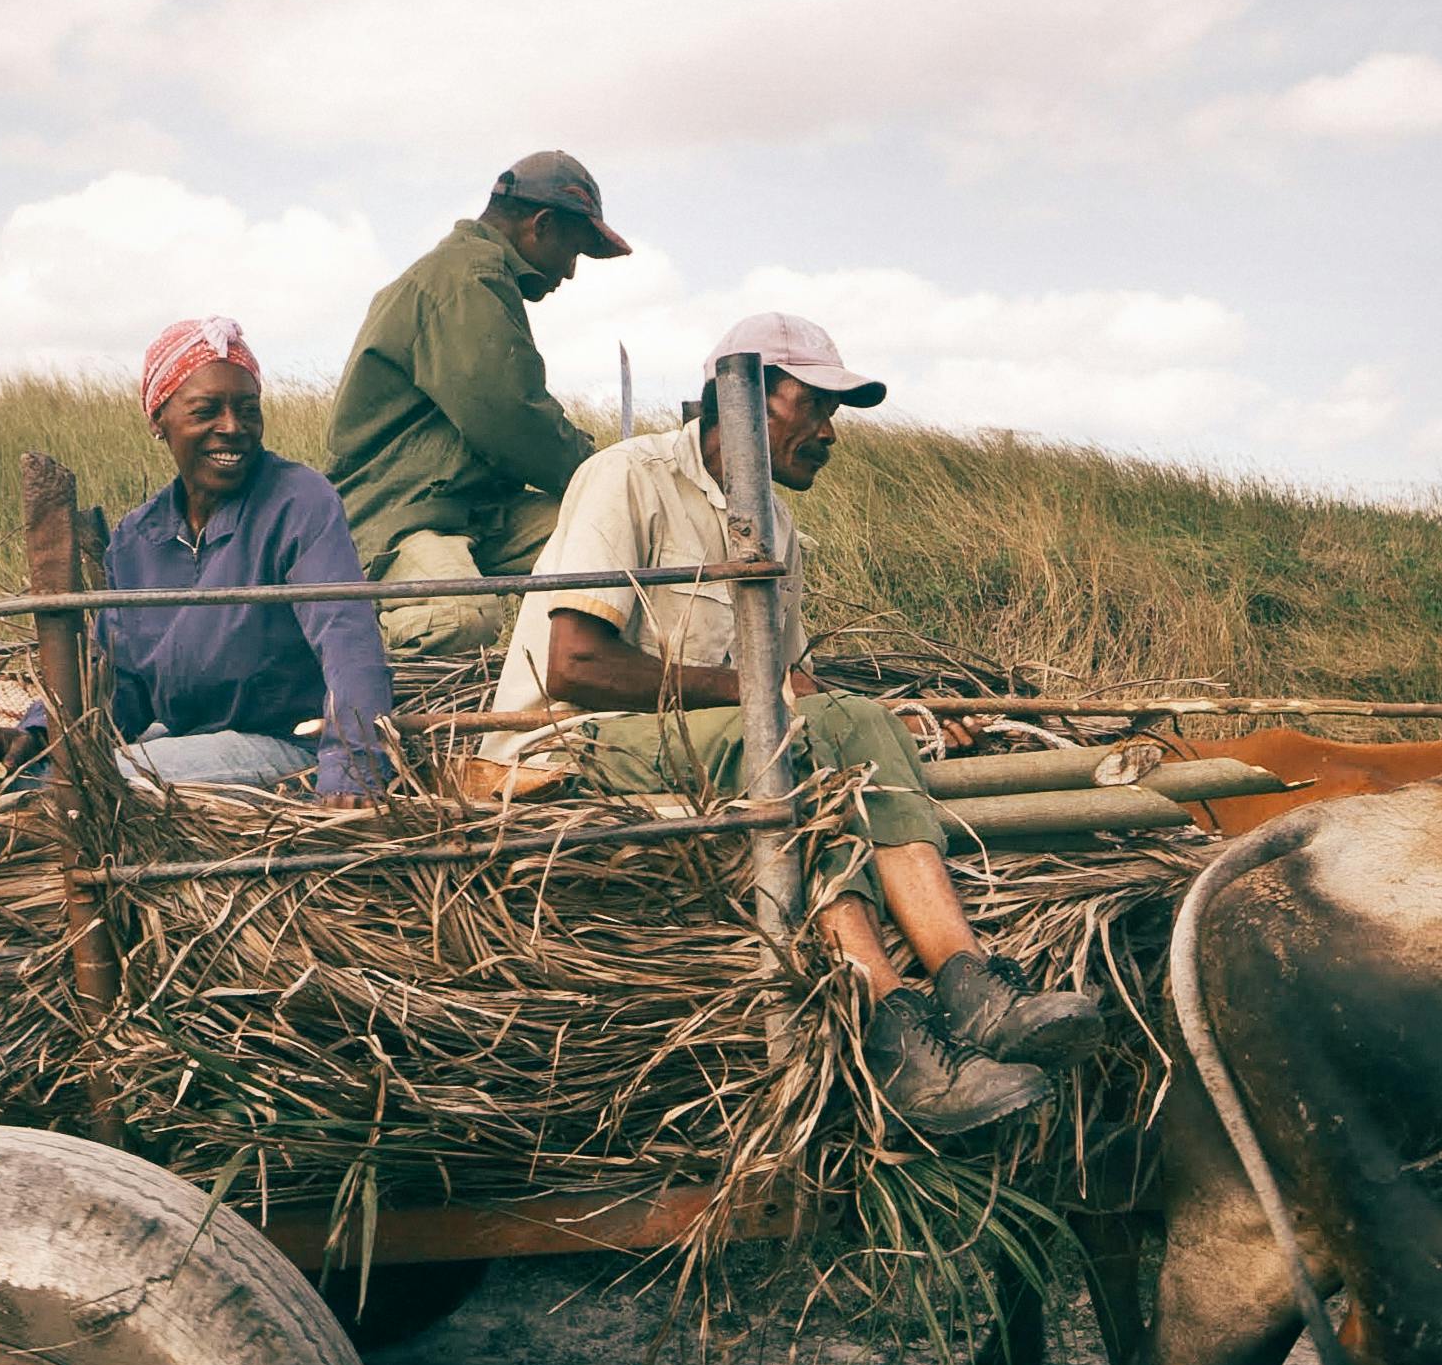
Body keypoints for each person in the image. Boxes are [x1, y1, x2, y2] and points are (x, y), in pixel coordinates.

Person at [486, 314, 1107, 1139]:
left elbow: (798, 685)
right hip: (565, 750)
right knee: (786, 734)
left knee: (828, 727)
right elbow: (575, 667)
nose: (827, 433)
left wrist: (902, 727)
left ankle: (967, 990)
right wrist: (763, 695)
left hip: (706, 746)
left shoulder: (773, 526)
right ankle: (896, 1030)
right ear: (734, 402)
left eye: (834, 415)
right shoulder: (624, 476)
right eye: (809, 406)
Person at [329, 148, 624, 651]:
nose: (571, 272)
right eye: (572, 251)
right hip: (401, 515)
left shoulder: (477, 273)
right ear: (542, 225)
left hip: (477, 511)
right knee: (460, 617)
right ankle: (346, 663)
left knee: (617, 543)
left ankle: (596, 668)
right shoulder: (468, 277)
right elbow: (512, 421)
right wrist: (611, 477)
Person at [95, 316, 394, 799]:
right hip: (186, 739)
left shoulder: (298, 502)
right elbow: (118, 679)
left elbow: (347, 638)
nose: (232, 428)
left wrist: (353, 769)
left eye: (248, 410)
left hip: (284, 743)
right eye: (205, 411)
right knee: (50, 769)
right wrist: (40, 734)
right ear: (159, 419)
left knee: (95, 781)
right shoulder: (137, 538)